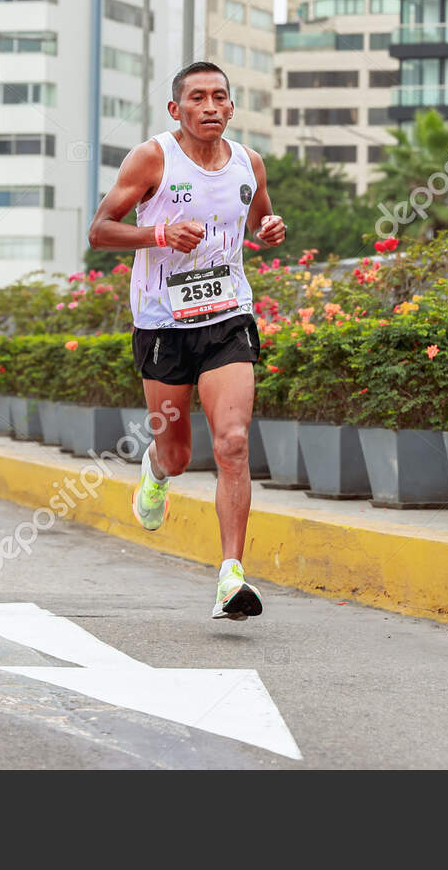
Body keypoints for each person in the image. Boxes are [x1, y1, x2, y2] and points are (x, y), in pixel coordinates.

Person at [87, 60, 286, 621]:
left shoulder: (249, 163)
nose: (210, 106)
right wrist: (158, 232)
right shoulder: (153, 158)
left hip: (228, 318)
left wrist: (271, 232)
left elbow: (259, 224)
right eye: (197, 98)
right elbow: (100, 229)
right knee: (179, 455)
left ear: (231, 106)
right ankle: (154, 469)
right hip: (161, 325)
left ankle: (231, 578)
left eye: (220, 97)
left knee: (233, 442)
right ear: (176, 110)